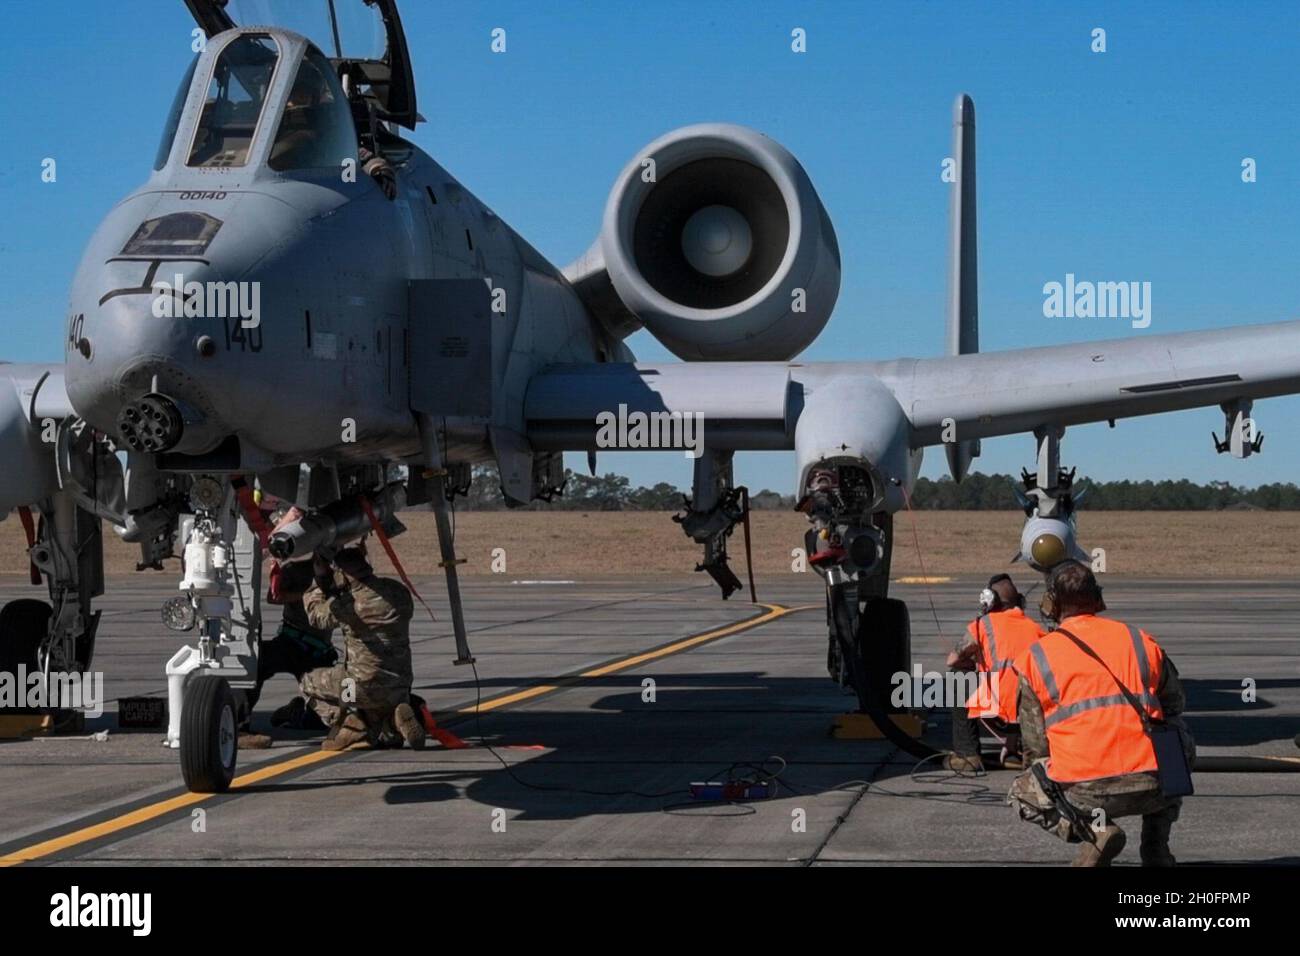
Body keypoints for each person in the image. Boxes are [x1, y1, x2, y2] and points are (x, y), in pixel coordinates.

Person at [1008, 560, 1194, 866]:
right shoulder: (1139, 640)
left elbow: (1035, 745)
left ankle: (1097, 831)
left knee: (1021, 792)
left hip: (1085, 792)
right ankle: (1156, 848)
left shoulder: (1035, 657)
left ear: (1051, 602)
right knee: (1174, 733)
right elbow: (1175, 703)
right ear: (1098, 597)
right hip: (1155, 785)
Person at [300, 545, 426, 751]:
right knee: (385, 729)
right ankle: (393, 722)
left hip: (357, 687)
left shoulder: (348, 605)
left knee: (307, 683)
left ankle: (350, 720)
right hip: (400, 684)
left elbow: (316, 616)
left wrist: (316, 581)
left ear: (343, 576)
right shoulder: (398, 592)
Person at [944, 574, 1045, 772]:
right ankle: (1027, 750)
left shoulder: (983, 625)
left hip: (996, 715)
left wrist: (973, 663)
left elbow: (952, 660)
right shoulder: (1036, 629)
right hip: (1029, 717)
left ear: (988, 600)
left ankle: (967, 755)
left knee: (958, 675)